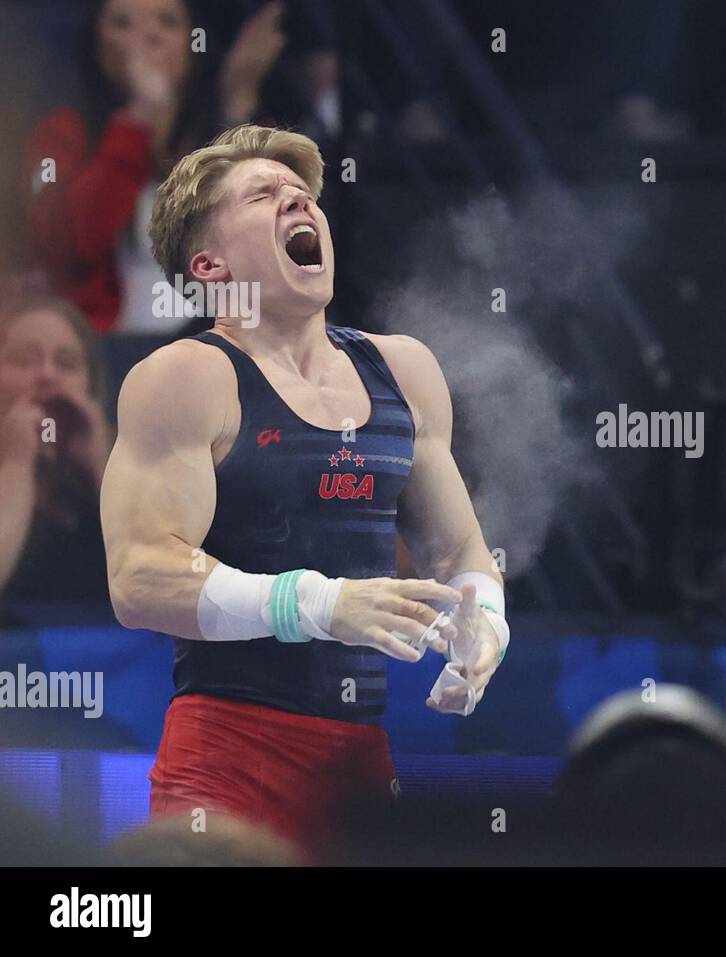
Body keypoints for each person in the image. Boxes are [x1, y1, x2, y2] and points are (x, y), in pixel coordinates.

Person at [100, 124, 510, 856]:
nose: (300, 202)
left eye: (304, 195)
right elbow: (139, 579)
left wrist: (486, 623)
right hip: (228, 760)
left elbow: (458, 550)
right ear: (210, 263)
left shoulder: (404, 370)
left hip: (358, 767)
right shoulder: (185, 378)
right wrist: (319, 603)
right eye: (265, 195)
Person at [23, 0, 286, 333]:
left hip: (223, 343)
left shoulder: (221, 134)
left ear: (193, 42)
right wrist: (139, 120)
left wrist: (238, 104)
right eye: (123, 23)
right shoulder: (62, 133)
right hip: (109, 347)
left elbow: (267, 239)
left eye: (167, 22)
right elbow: (70, 246)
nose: (148, 36)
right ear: (96, 45)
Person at [0, 297, 113, 616]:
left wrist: (103, 467)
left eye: (66, 363)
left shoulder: (136, 463)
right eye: (24, 360)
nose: (47, 375)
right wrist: (18, 462)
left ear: (90, 386)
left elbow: (167, 583)